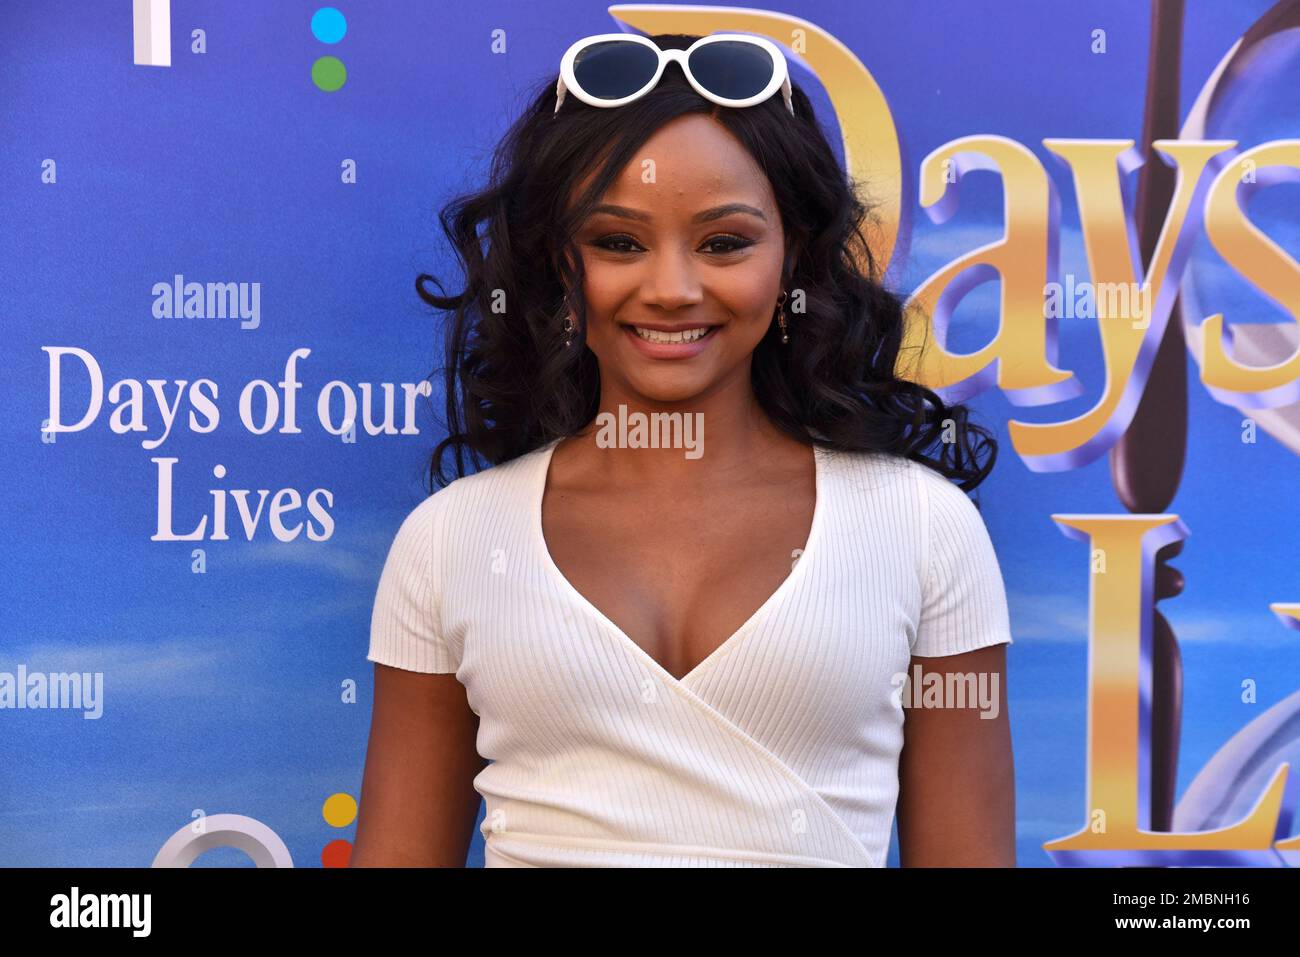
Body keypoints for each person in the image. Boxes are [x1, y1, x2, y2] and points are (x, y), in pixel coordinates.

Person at [351, 32, 1014, 867]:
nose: (671, 288)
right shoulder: (448, 543)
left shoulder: (928, 533)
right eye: (619, 242)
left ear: (793, 257)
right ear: (562, 264)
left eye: (724, 242)